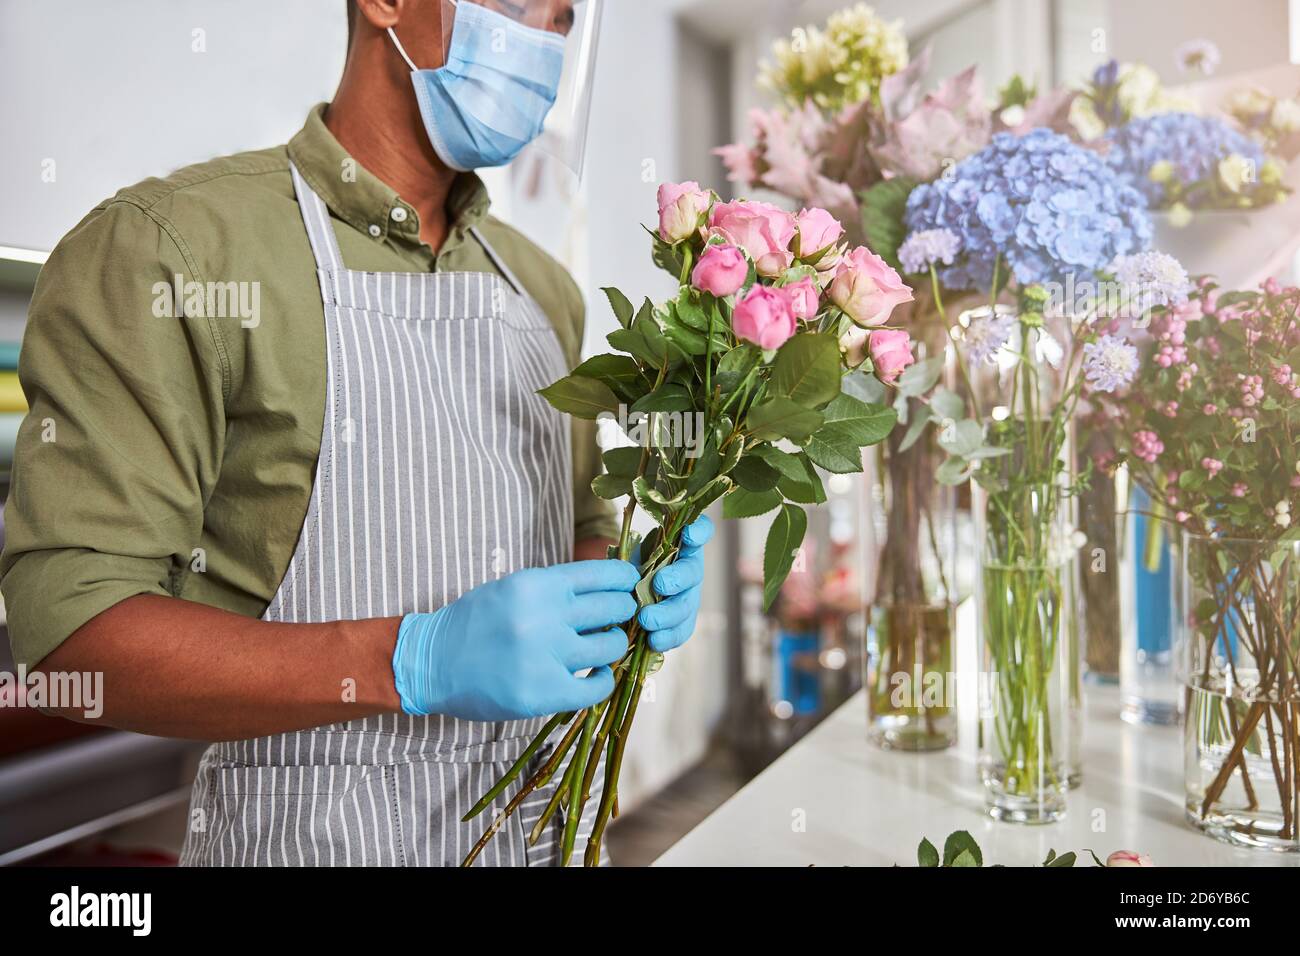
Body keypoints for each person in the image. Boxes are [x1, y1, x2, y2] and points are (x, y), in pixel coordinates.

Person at [0, 0, 711, 867]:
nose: (542, 45)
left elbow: (576, 527)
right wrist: (410, 660)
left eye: (563, 21)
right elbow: (73, 637)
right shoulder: (176, 253)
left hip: (543, 842)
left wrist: (628, 583)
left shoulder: (544, 293)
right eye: (519, 7)